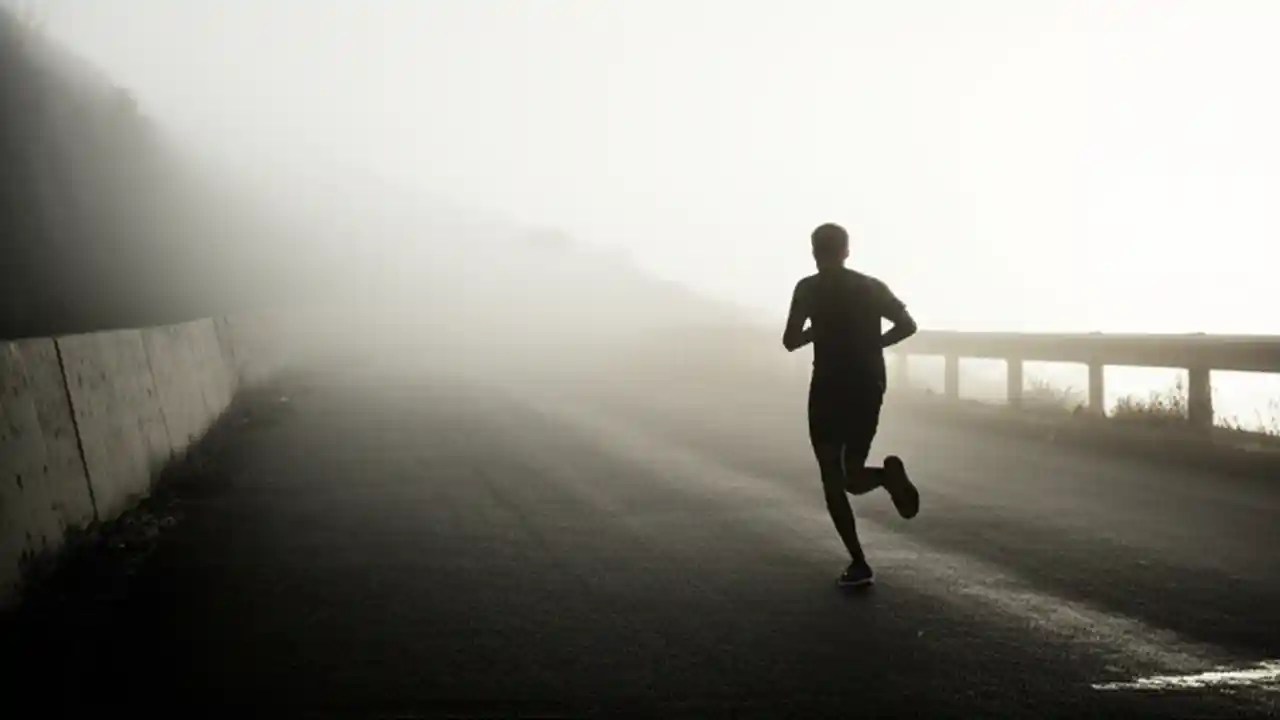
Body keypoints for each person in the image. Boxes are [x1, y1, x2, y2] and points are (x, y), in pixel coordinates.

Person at [782, 222, 920, 587]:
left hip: (829, 387)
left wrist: (820, 331)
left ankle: (859, 563)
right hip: (868, 384)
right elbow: (908, 325)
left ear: (814, 252)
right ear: (846, 251)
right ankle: (887, 476)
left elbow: (790, 341)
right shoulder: (870, 286)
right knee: (851, 471)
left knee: (835, 479)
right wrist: (873, 345)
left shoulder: (808, 289)